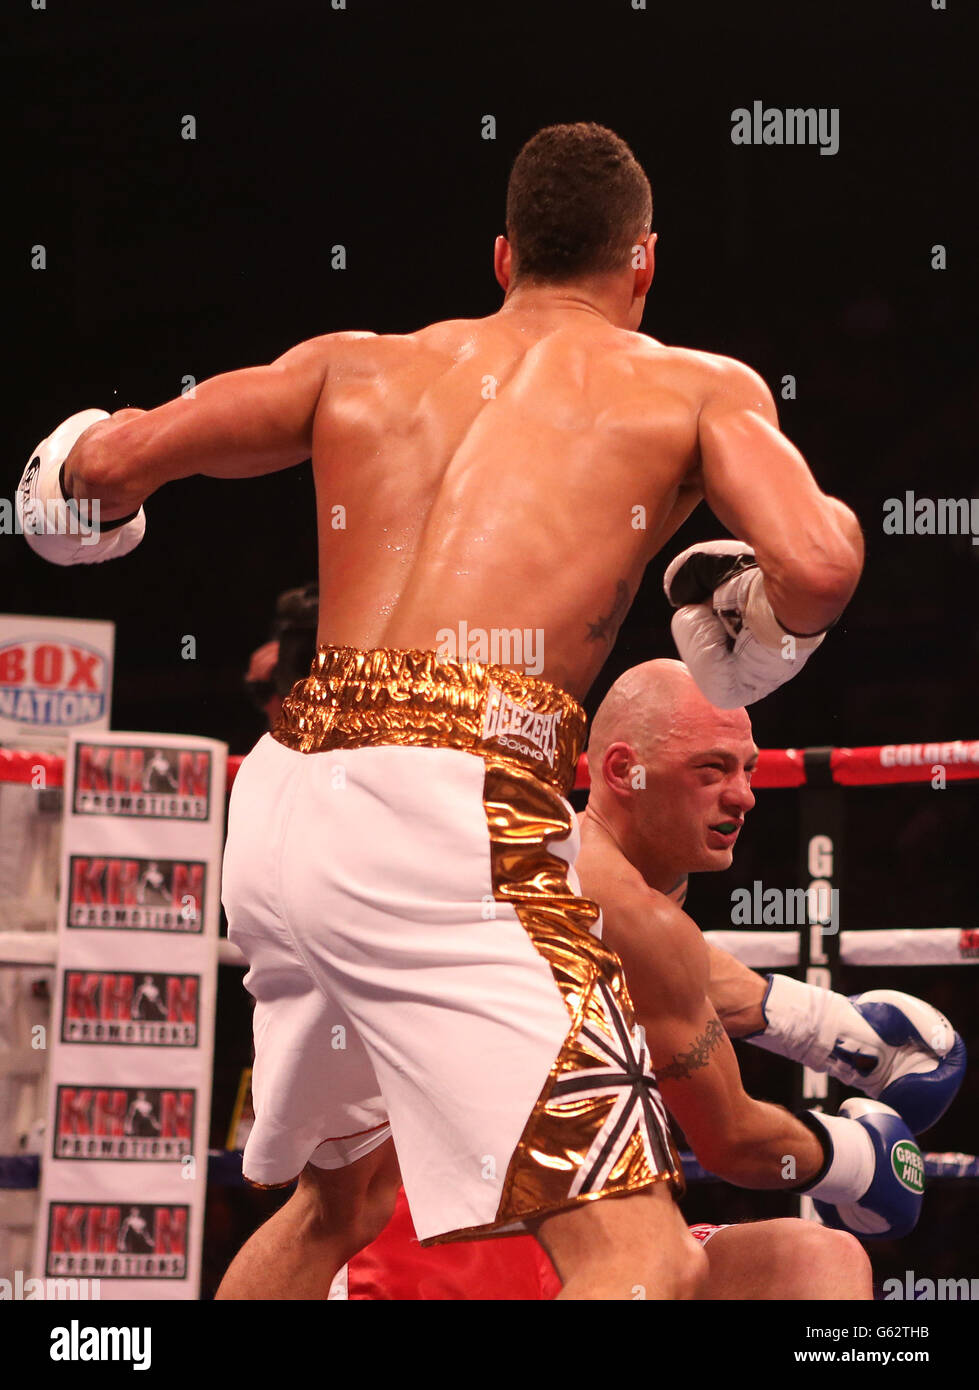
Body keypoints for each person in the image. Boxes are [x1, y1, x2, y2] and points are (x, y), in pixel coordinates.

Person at [19, 122, 866, 1299]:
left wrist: (69, 485)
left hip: (283, 806)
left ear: (504, 257)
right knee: (637, 1255)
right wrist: (757, 620)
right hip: (456, 808)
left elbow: (98, 473)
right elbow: (819, 564)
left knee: (340, 1199)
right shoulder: (691, 383)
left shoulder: (350, 362)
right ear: (645, 265)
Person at [330, 660, 960, 1299]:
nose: (742, 794)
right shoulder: (635, 917)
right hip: (447, 1249)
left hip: (570, 1229)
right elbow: (732, 1142)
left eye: (749, 768)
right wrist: (856, 1158)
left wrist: (832, 1028)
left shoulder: (577, 861)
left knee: (813, 1261)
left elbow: (687, 977)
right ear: (621, 771)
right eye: (711, 770)